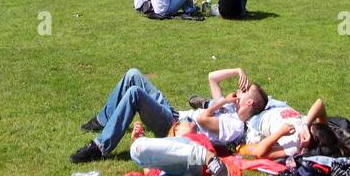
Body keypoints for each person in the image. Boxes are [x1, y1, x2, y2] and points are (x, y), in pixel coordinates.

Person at [69, 65, 267, 164]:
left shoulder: (235, 125)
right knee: (133, 74)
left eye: (245, 90)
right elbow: (212, 78)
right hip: (175, 114)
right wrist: (237, 71)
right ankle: (103, 120)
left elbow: (201, 119)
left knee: (135, 94)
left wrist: (222, 102)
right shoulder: (232, 108)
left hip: (174, 128)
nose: (241, 89)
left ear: (249, 102)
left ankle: (100, 147)